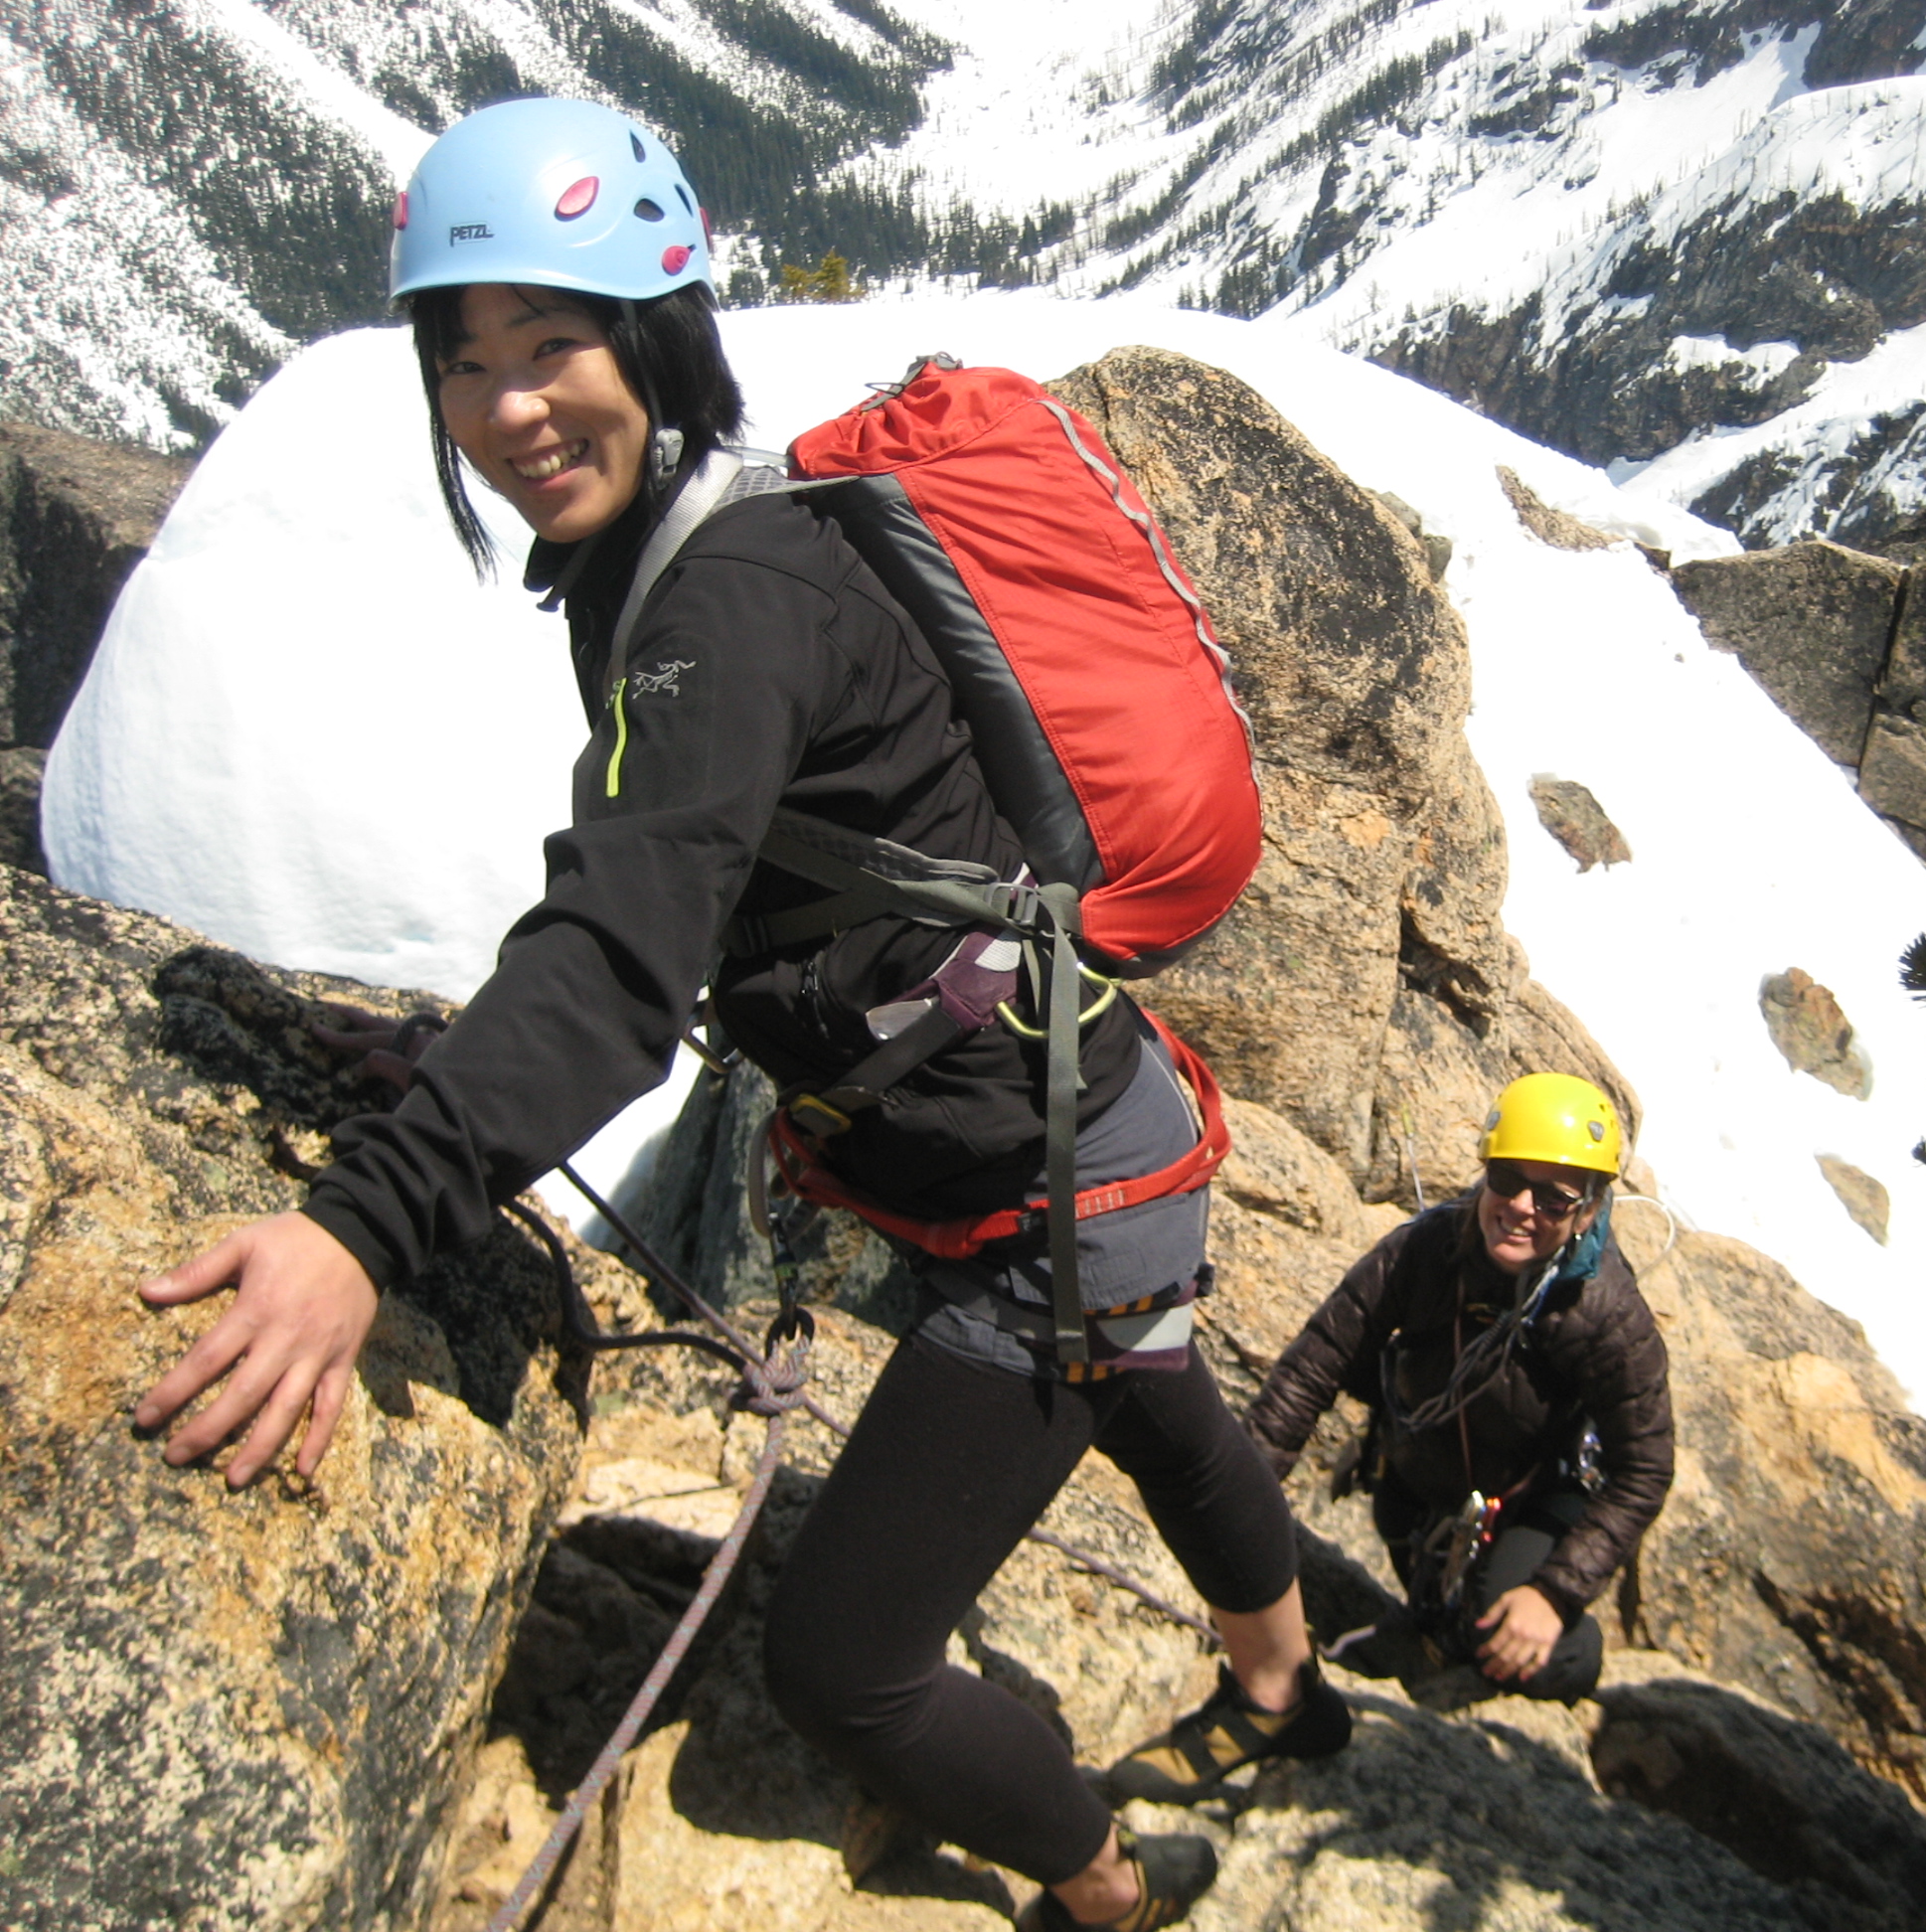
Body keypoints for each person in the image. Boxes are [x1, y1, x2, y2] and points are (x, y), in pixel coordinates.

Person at [124, 97, 1344, 1932]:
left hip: (1051, 1212)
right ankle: (1285, 1684)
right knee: (1153, 1381)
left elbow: (620, 967)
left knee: (844, 1663)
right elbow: (689, 891)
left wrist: (360, 1229)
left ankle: (1108, 1876)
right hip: (1083, 1136)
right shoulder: (695, 548)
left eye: (556, 344)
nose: (511, 404)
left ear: (661, 334)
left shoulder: (723, 601)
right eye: (468, 365)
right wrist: (460, 1065)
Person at [1242, 1073, 1674, 1704]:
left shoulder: (1606, 1313)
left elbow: (1645, 1466)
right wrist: (1239, 1494)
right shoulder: (1425, 1250)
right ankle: (1430, 1625)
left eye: (1554, 1199)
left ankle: (1487, 1633)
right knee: (1424, 1588)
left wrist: (1553, 1594)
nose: (1522, 1206)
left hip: (1525, 1496)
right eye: (1507, 1180)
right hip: (1414, 1474)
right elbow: (1319, 1362)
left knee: (1529, 1649)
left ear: (1586, 1212)